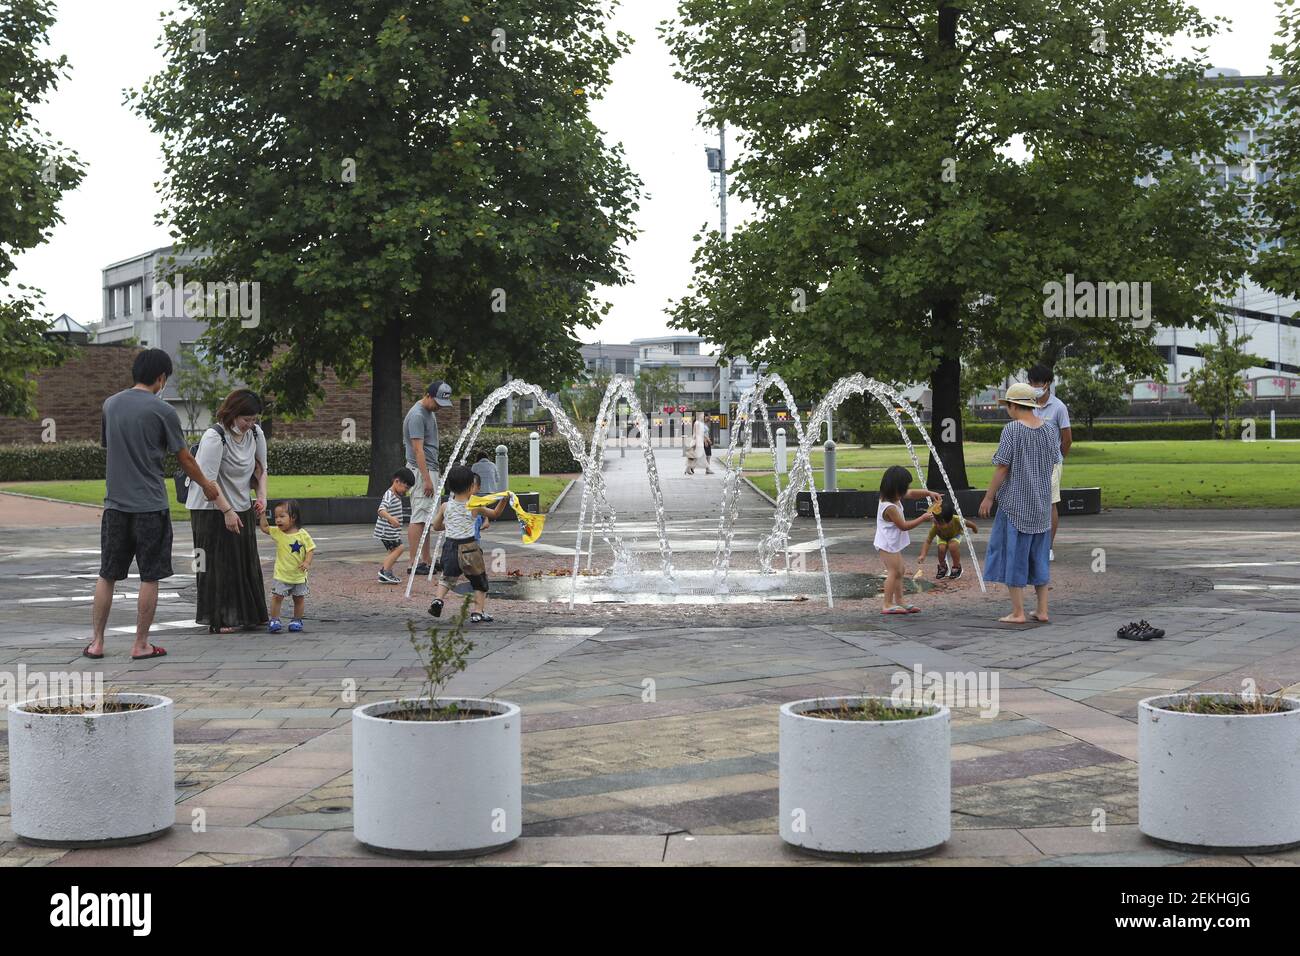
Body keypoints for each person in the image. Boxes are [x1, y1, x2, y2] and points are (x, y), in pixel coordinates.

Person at [85, 349, 220, 660]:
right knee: (150, 576)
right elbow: (184, 457)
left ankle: (97, 643)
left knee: (107, 574)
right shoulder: (163, 412)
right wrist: (207, 486)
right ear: (161, 378)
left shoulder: (110, 405)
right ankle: (141, 644)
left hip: (115, 506)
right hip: (150, 506)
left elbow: (110, 446)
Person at [187, 388, 269, 633]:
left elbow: (261, 469)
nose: (250, 424)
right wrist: (226, 512)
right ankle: (219, 617)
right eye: (246, 419)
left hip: (240, 501)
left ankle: (250, 614)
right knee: (214, 562)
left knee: (245, 560)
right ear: (232, 414)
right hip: (210, 507)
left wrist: (262, 497)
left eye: (254, 419)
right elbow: (207, 482)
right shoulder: (215, 437)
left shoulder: (256, 433)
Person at [979, 382, 1061, 624]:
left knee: (1012, 556)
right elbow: (1054, 462)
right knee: (1039, 556)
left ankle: (1018, 612)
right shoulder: (1049, 431)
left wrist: (989, 496)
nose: (1008, 410)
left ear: (1015, 406)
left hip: (1015, 505)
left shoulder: (1012, 430)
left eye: (1008, 406)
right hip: (1041, 506)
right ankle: (1042, 610)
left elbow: (1003, 466)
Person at [427, 465, 496, 624]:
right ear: (471, 486)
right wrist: (505, 500)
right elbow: (495, 514)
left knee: (447, 578)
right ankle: (477, 612)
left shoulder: (445, 506)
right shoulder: (474, 506)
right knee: (479, 581)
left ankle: (438, 600)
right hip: (469, 548)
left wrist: (450, 525)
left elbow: (436, 527)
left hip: (450, 547)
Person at [874, 465, 941, 614]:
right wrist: (923, 518)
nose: (907, 490)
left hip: (892, 542)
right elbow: (903, 526)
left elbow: (912, 493)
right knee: (893, 572)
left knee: (900, 570)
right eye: (904, 488)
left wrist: (929, 493)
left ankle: (900, 601)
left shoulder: (893, 496)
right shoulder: (889, 506)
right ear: (896, 488)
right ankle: (887, 604)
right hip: (886, 543)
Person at [405, 380, 453, 577]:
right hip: (421, 470)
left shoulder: (429, 412)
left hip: (430, 469)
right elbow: (418, 450)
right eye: (438, 403)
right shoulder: (417, 415)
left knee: (426, 517)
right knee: (419, 517)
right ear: (429, 395)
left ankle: (425, 560)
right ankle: (414, 562)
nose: (439, 408)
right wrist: (426, 479)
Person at [1026, 364, 1072, 560]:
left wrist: (1058, 458)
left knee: (1050, 502)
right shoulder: (1027, 404)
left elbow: (1067, 439)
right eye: (1031, 382)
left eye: (1037, 382)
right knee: (1031, 503)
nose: (1034, 386)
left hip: (1051, 463)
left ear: (1047, 384)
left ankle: (1048, 547)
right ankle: (1032, 544)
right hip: (1029, 461)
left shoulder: (1058, 407)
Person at [258, 500, 315, 633]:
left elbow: (310, 549)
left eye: (282, 516)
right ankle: (274, 620)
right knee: (277, 597)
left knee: (299, 598)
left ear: (293, 517)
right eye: (276, 517)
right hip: (282, 574)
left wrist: (307, 562)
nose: (278, 520)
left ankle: (297, 619)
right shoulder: (278, 532)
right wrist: (262, 514)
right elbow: (265, 528)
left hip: (298, 575)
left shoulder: (302, 534)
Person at [917, 502, 978, 580]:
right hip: (942, 537)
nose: (937, 525)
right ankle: (943, 567)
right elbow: (928, 541)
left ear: (949, 520)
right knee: (941, 548)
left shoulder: (957, 519)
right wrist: (923, 555)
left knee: (952, 546)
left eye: (939, 523)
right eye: (935, 521)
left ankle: (956, 567)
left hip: (955, 535)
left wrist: (974, 528)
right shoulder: (935, 526)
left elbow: (968, 523)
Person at [375, 467, 415, 584]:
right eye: (405, 487)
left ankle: (387, 574)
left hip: (390, 531)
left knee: (393, 551)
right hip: (386, 531)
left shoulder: (395, 494)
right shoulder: (389, 495)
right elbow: (381, 510)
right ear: (396, 481)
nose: (406, 491)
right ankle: (384, 572)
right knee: (400, 548)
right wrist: (391, 518)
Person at [470, 472, 509, 540]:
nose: (469, 488)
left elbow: (494, 513)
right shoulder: (450, 505)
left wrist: (504, 500)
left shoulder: (476, 504)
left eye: (472, 486)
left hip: (473, 540)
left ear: (478, 487)